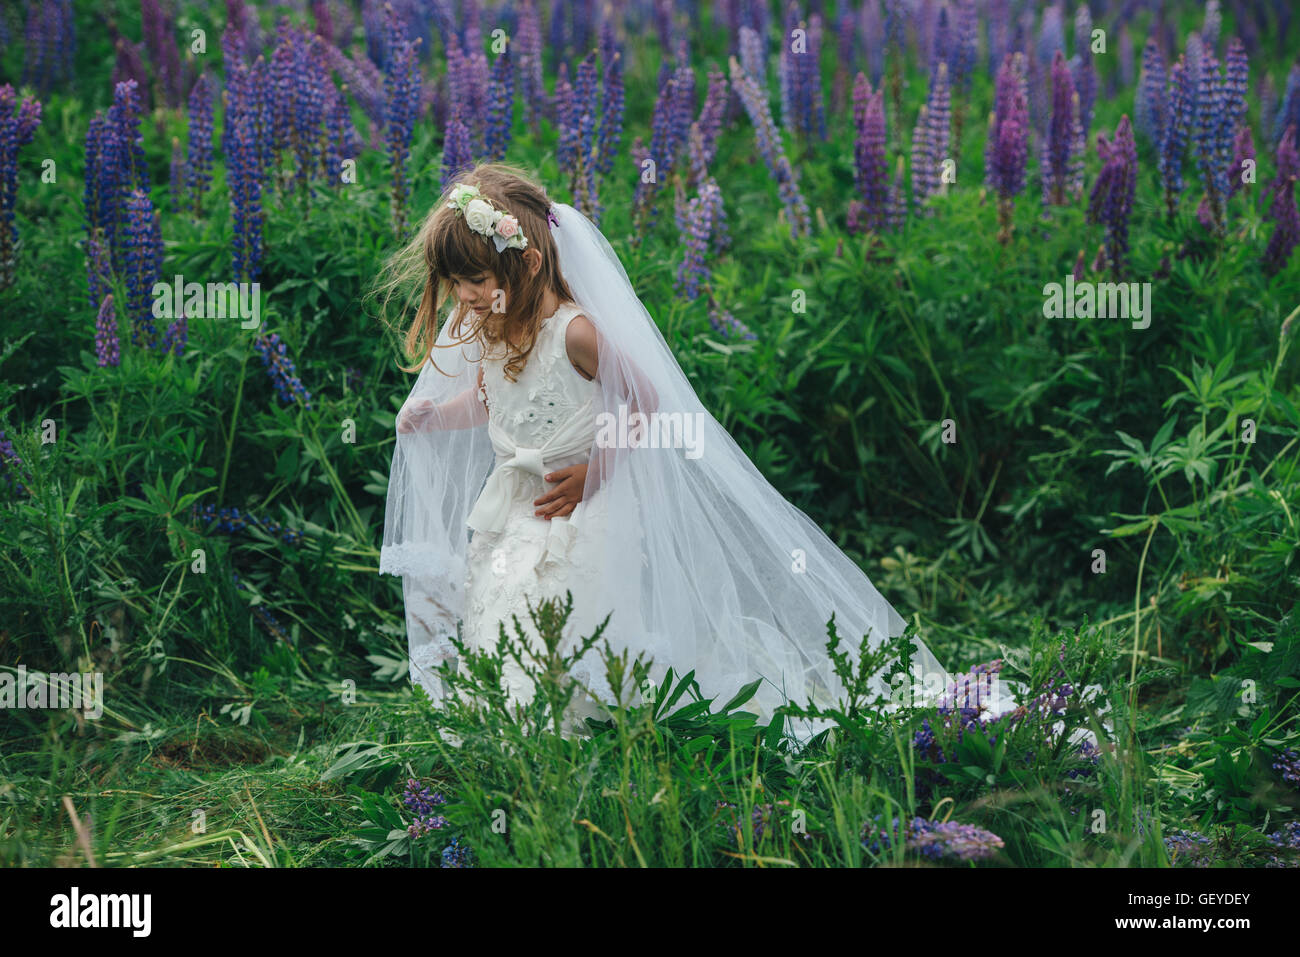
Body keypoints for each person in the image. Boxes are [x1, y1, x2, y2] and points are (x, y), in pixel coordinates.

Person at [375, 162, 956, 746]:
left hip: (580, 508)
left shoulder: (574, 333)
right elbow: (495, 402)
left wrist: (592, 474)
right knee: (501, 607)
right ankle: (519, 735)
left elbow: (643, 404)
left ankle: (578, 734)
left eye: (474, 279)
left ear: (525, 262)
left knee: (555, 616)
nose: (463, 296)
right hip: (516, 505)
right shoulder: (495, 327)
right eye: (454, 282)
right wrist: (435, 417)